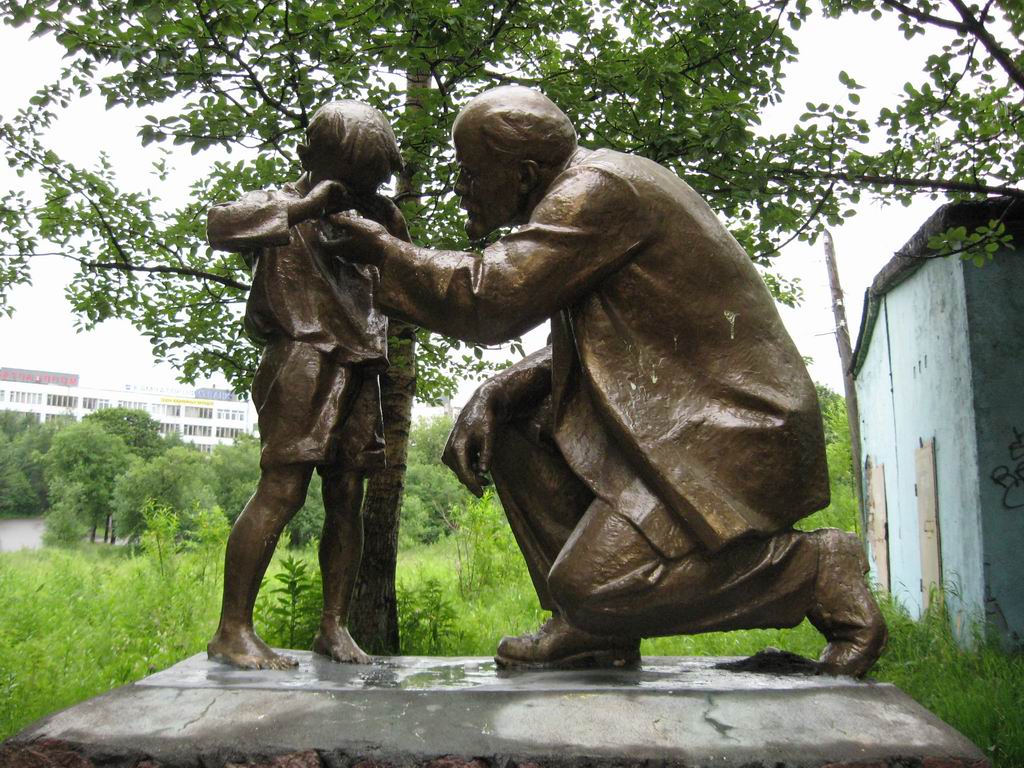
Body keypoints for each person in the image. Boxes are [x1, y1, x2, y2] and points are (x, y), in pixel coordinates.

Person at [320, 86, 887, 676]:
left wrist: (384, 253)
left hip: (731, 429)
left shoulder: (594, 193)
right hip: (683, 419)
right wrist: (496, 390)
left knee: (594, 585)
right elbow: (599, 345)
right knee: (512, 424)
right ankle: (590, 635)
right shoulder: (584, 192)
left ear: (524, 174)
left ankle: (812, 571)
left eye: (469, 173)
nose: (458, 187)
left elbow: (491, 299)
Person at [205, 100, 409, 670]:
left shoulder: (382, 217)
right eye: (350, 180)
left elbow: (408, 273)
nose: (361, 192)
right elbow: (218, 226)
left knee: (348, 497)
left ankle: (333, 627)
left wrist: (381, 238)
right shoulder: (278, 204)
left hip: (362, 365)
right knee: (283, 490)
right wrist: (304, 207)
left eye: (372, 182)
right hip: (300, 358)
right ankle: (232, 629)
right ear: (311, 160)